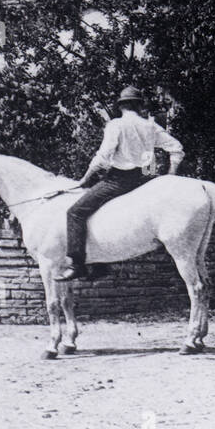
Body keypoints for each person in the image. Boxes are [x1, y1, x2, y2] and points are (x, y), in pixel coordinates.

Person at [55, 86, 184, 282]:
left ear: (121, 106)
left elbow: (103, 157)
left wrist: (84, 178)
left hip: (119, 180)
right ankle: (98, 264)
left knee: (75, 212)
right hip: (146, 179)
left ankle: (77, 265)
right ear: (139, 106)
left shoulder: (116, 125)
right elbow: (177, 148)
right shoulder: (151, 126)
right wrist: (171, 173)